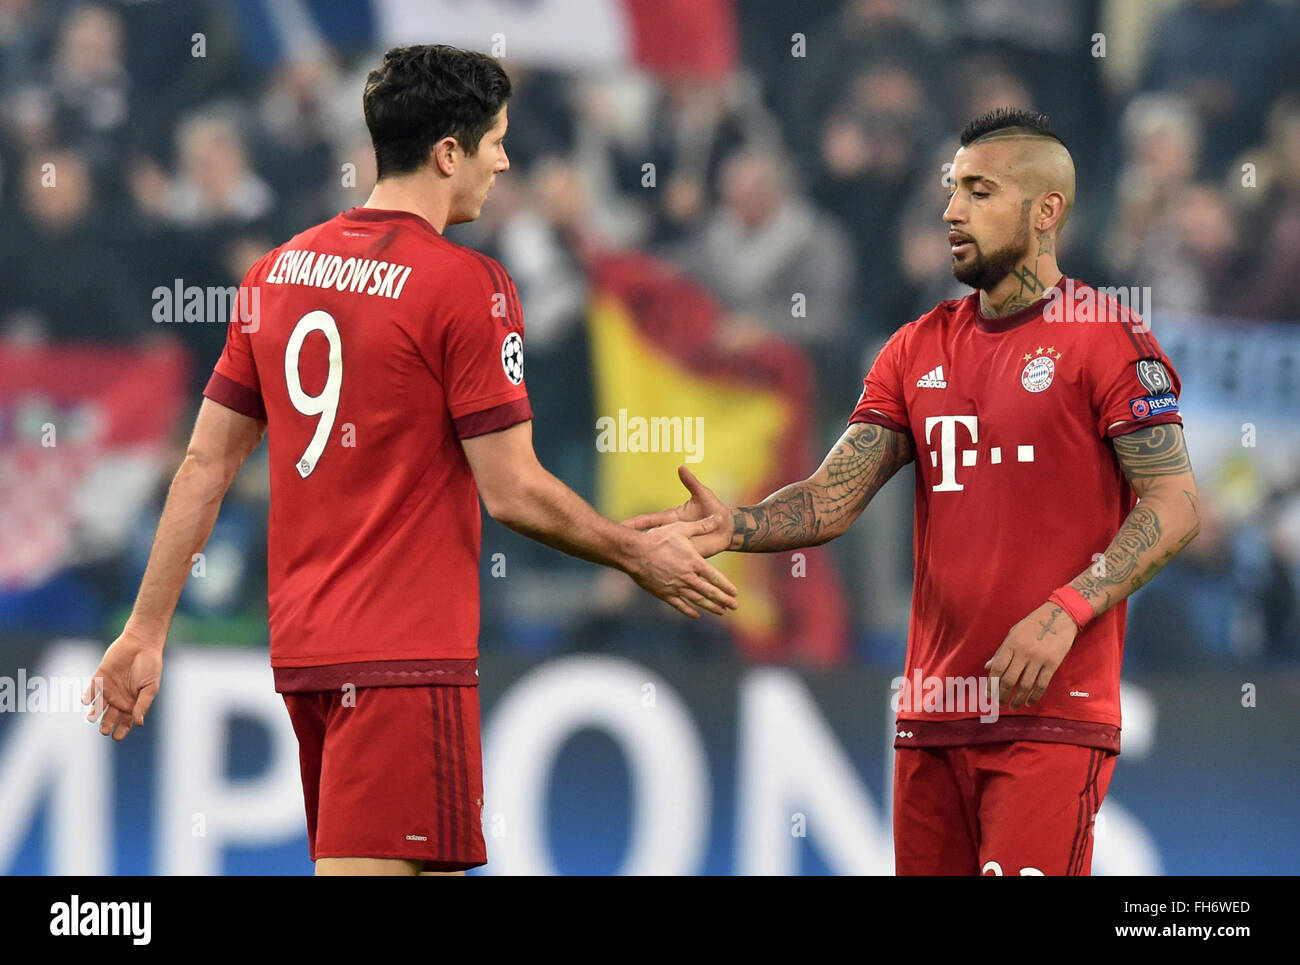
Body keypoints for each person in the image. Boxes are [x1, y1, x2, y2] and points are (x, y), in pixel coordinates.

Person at [82, 44, 737, 877]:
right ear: (447, 153)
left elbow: (203, 466)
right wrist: (633, 551)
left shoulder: (275, 274)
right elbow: (513, 490)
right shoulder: (467, 285)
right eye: (495, 140)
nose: (506, 161)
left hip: (311, 656)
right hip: (402, 664)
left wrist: (145, 626)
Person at [630, 108, 1201, 876]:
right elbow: (832, 497)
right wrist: (735, 523)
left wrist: (1069, 608)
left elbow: (1176, 504)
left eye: (978, 190)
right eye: (951, 189)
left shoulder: (1105, 336)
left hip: (1047, 718)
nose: (950, 211)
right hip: (932, 719)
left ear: (1046, 210)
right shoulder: (916, 347)